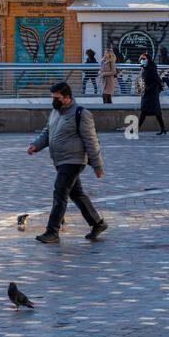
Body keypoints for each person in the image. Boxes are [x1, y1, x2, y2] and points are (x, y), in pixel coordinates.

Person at [27, 80, 107, 243]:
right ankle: (98, 223)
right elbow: (47, 132)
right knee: (76, 194)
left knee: (60, 192)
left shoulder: (81, 113)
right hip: (60, 160)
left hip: (74, 160)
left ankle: (52, 231)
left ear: (67, 97)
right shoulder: (56, 112)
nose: (54, 100)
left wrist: (97, 166)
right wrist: (36, 145)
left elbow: (91, 141)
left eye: (57, 97)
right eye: (53, 97)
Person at [137, 53, 167, 135]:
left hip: (152, 92)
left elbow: (156, 80)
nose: (142, 60)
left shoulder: (151, 68)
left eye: (144, 59)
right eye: (141, 59)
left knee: (146, 111)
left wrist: (148, 88)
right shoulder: (144, 68)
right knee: (155, 111)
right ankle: (163, 128)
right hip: (147, 91)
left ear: (148, 59)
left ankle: (136, 129)